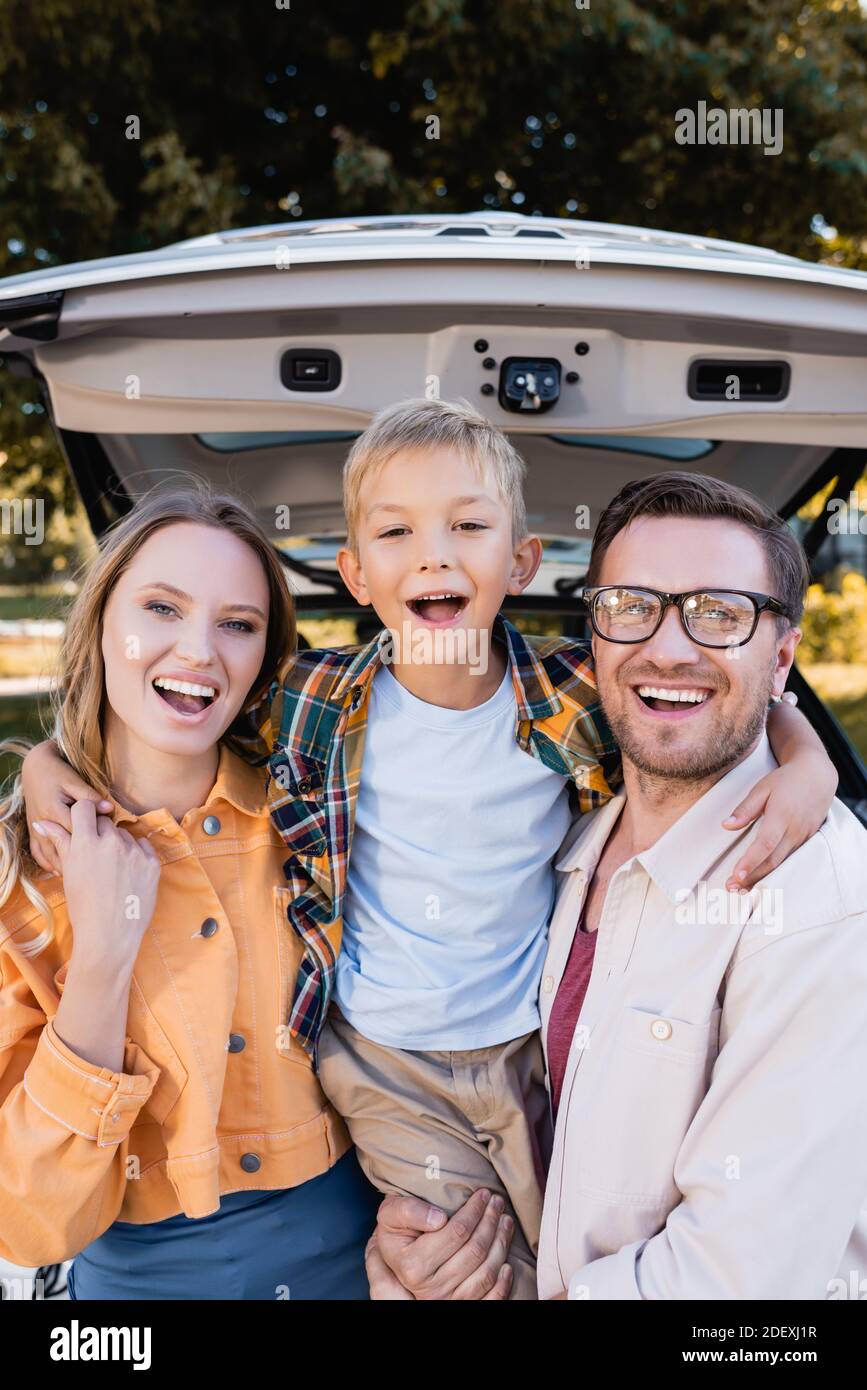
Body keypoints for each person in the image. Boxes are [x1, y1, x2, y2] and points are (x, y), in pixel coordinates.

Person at [23, 402, 838, 1300]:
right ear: (357, 573)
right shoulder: (317, 701)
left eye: (469, 527)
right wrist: (50, 760)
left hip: (520, 1039)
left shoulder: (567, 692)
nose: (434, 556)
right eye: (397, 532)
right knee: (458, 1261)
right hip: (382, 1057)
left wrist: (806, 763)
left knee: (546, 1248)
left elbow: (689, 694)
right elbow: (173, 708)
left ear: (521, 562)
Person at [366, 471, 867, 1301]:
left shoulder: (820, 905)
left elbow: (737, 1285)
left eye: (719, 613)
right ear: (593, 639)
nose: (667, 648)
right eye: (632, 605)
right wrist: (424, 1251)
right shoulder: (565, 838)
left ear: (781, 658)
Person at [1, 486, 380, 1299]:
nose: (199, 651)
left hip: (366, 1264)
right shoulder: (18, 878)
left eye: (237, 624)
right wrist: (102, 959)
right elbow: (27, 1223)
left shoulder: (320, 819)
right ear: (101, 621)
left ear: (263, 657)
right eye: (162, 608)